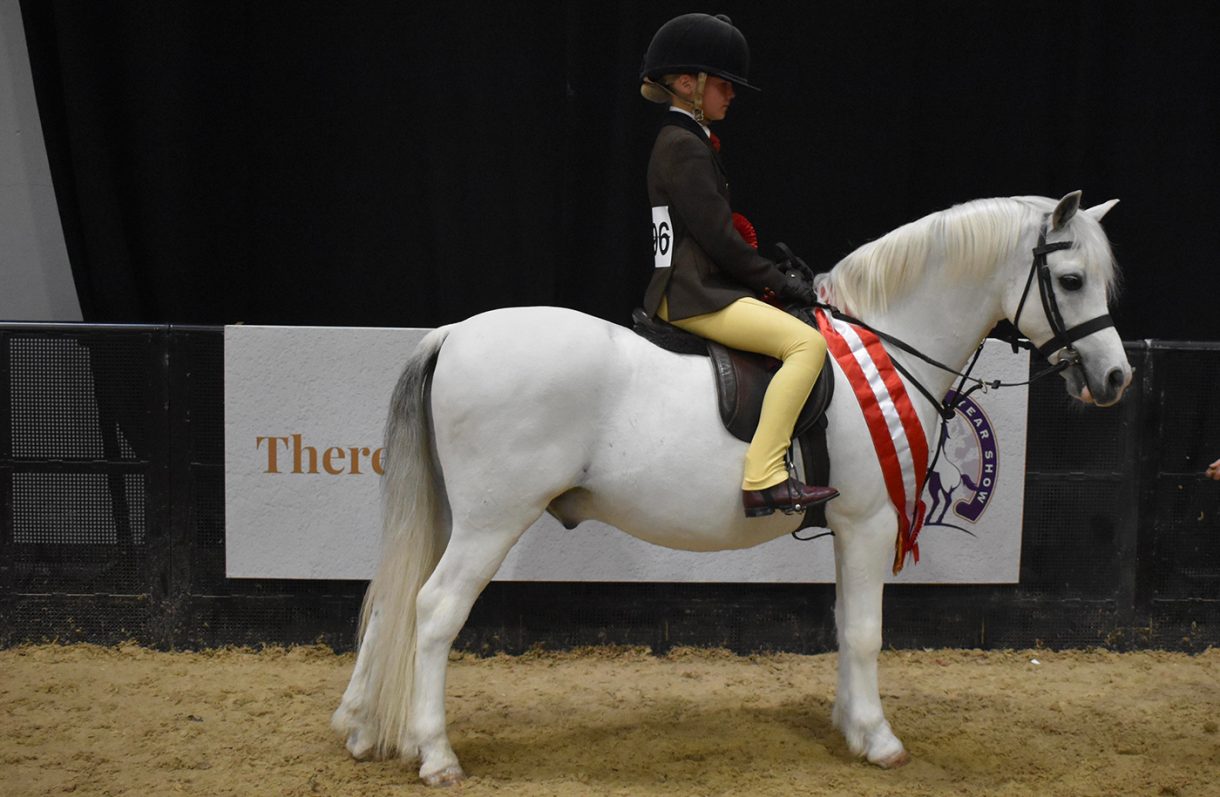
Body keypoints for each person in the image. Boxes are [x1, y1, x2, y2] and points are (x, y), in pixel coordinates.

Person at [639, 12, 837, 518]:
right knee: (806, 343)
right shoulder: (683, 146)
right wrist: (780, 284)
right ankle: (765, 475)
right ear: (689, 83)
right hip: (692, 294)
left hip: (691, 286)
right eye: (723, 85)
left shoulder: (684, 141)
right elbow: (721, 242)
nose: (731, 95)